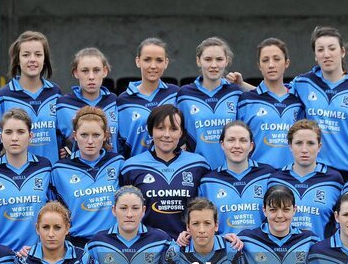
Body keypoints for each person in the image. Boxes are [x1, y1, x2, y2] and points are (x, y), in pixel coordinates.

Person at [291, 26, 348, 180]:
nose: (326, 54)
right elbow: (274, 95)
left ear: (342, 52)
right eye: (320, 50)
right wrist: (241, 85)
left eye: (332, 48)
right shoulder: (302, 83)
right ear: (315, 55)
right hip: (314, 174)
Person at [120, 104, 209, 239]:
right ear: (151, 131)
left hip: (187, 247)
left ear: (181, 133)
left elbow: (205, 210)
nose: (167, 135)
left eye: (173, 129)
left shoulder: (199, 164)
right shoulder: (131, 167)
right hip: (147, 248)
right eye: (160, 128)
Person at [0, 30, 62, 163]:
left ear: (44, 59)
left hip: (51, 178)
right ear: (17, 60)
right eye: (26, 55)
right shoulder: (1, 98)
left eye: (38, 54)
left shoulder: (55, 93)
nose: (32, 60)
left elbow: (63, 140)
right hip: (16, 181)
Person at [0, 109, 52, 253]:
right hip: (1, 257)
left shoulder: (45, 167)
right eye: (8, 132)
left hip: (38, 256)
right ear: (0, 137)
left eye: (20, 132)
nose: (14, 138)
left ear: (30, 136)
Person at [50, 106, 124, 246]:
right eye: (84, 135)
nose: (90, 141)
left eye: (96, 135)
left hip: (114, 243)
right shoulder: (59, 170)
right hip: (77, 244)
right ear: (75, 135)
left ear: (105, 135)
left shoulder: (117, 162)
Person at [234, 38, 305, 170]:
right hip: (256, 176)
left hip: (291, 177)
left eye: (277, 59)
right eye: (265, 60)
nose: (271, 65)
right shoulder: (246, 101)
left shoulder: (298, 101)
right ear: (259, 65)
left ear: (287, 63)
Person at [268, 119, 343, 240]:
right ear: (290, 146)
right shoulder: (276, 180)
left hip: (320, 253)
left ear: (319, 147)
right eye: (298, 143)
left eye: (310, 143)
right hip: (285, 253)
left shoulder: (334, 180)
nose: (304, 149)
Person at [198, 120, 273, 236]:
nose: (237, 146)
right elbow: (203, 223)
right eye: (231, 140)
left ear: (251, 145)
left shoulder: (268, 175)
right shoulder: (208, 182)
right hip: (224, 250)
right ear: (222, 144)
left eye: (243, 140)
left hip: (261, 250)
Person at [176, 37, 242, 169]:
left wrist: (243, 84)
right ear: (198, 61)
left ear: (226, 61)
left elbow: (267, 96)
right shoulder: (184, 94)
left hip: (231, 170)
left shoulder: (236, 92)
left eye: (219, 59)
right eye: (208, 59)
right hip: (197, 169)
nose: (213, 65)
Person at [116, 38, 178, 158]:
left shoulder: (175, 93)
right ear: (138, 61)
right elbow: (120, 145)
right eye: (147, 60)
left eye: (159, 60)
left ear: (166, 62)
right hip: (137, 170)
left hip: (171, 168)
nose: (153, 66)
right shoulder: (122, 101)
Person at [56, 47, 120, 156]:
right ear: (76, 72)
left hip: (110, 168)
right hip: (75, 170)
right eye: (85, 71)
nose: (91, 77)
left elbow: (122, 141)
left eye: (96, 70)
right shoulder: (62, 104)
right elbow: (56, 143)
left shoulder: (114, 101)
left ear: (104, 71)